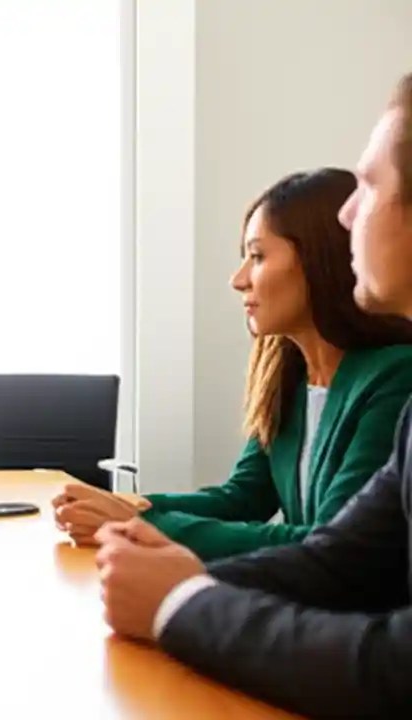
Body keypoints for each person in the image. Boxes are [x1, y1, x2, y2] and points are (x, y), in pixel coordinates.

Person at [95, 72, 412, 718]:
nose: (349, 210)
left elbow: (395, 665)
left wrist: (181, 599)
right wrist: (169, 570)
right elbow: (339, 560)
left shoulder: (394, 377)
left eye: (371, 185)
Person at [53, 168, 412, 560]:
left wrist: (139, 524)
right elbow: (244, 497)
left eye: (257, 256)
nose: (238, 280)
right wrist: (127, 506)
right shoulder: (288, 372)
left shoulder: (395, 375)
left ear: (317, 259)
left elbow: (329, 545)